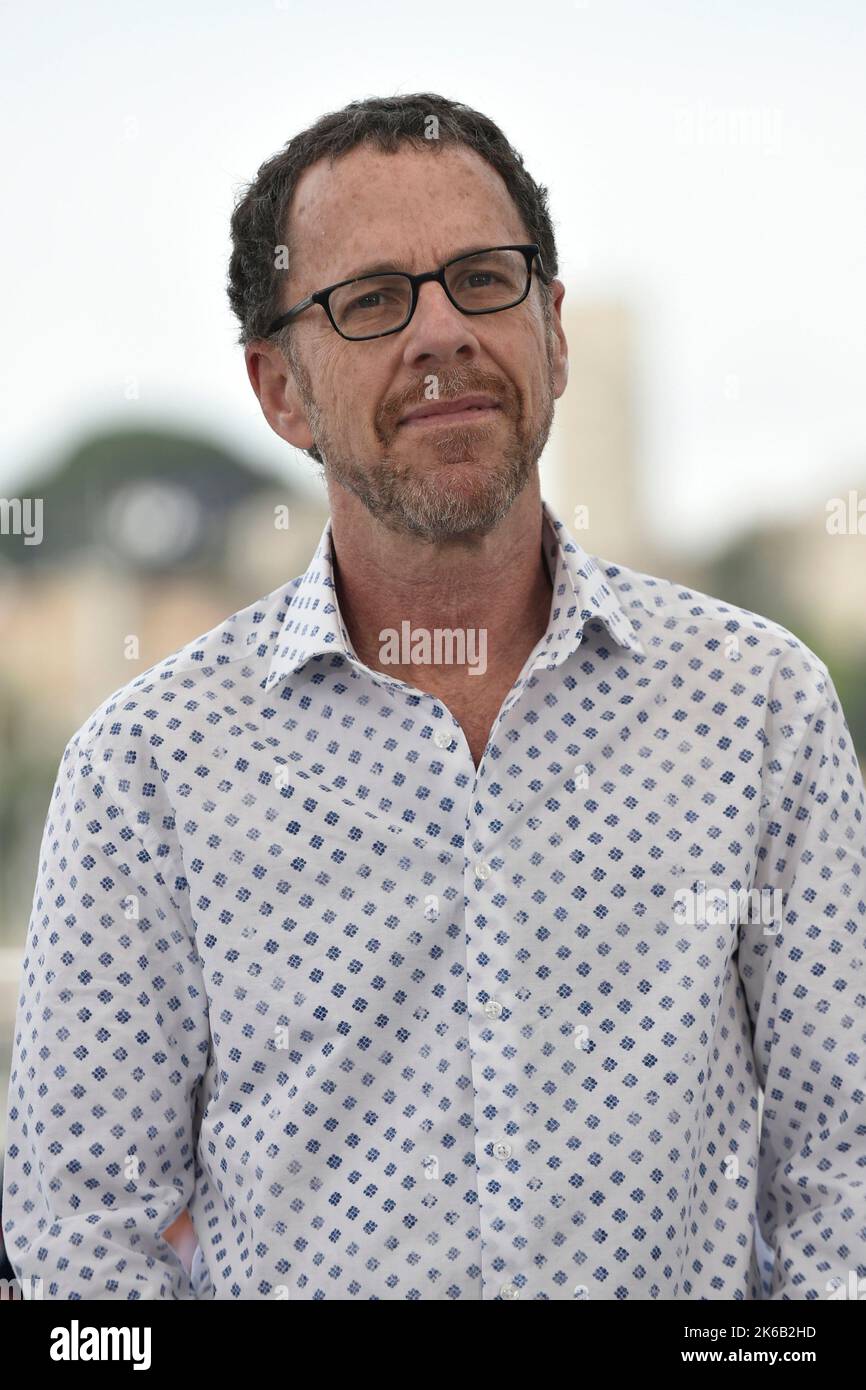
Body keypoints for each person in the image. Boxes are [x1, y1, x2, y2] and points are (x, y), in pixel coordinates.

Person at [3, 92, 864, 1301]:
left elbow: (847, 1174)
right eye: (369, 300)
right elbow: (79, 1241)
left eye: (481, 277)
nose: (442, 331)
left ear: (554, 333)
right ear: (279, 390)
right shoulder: (147, 770)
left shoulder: (758, 708)